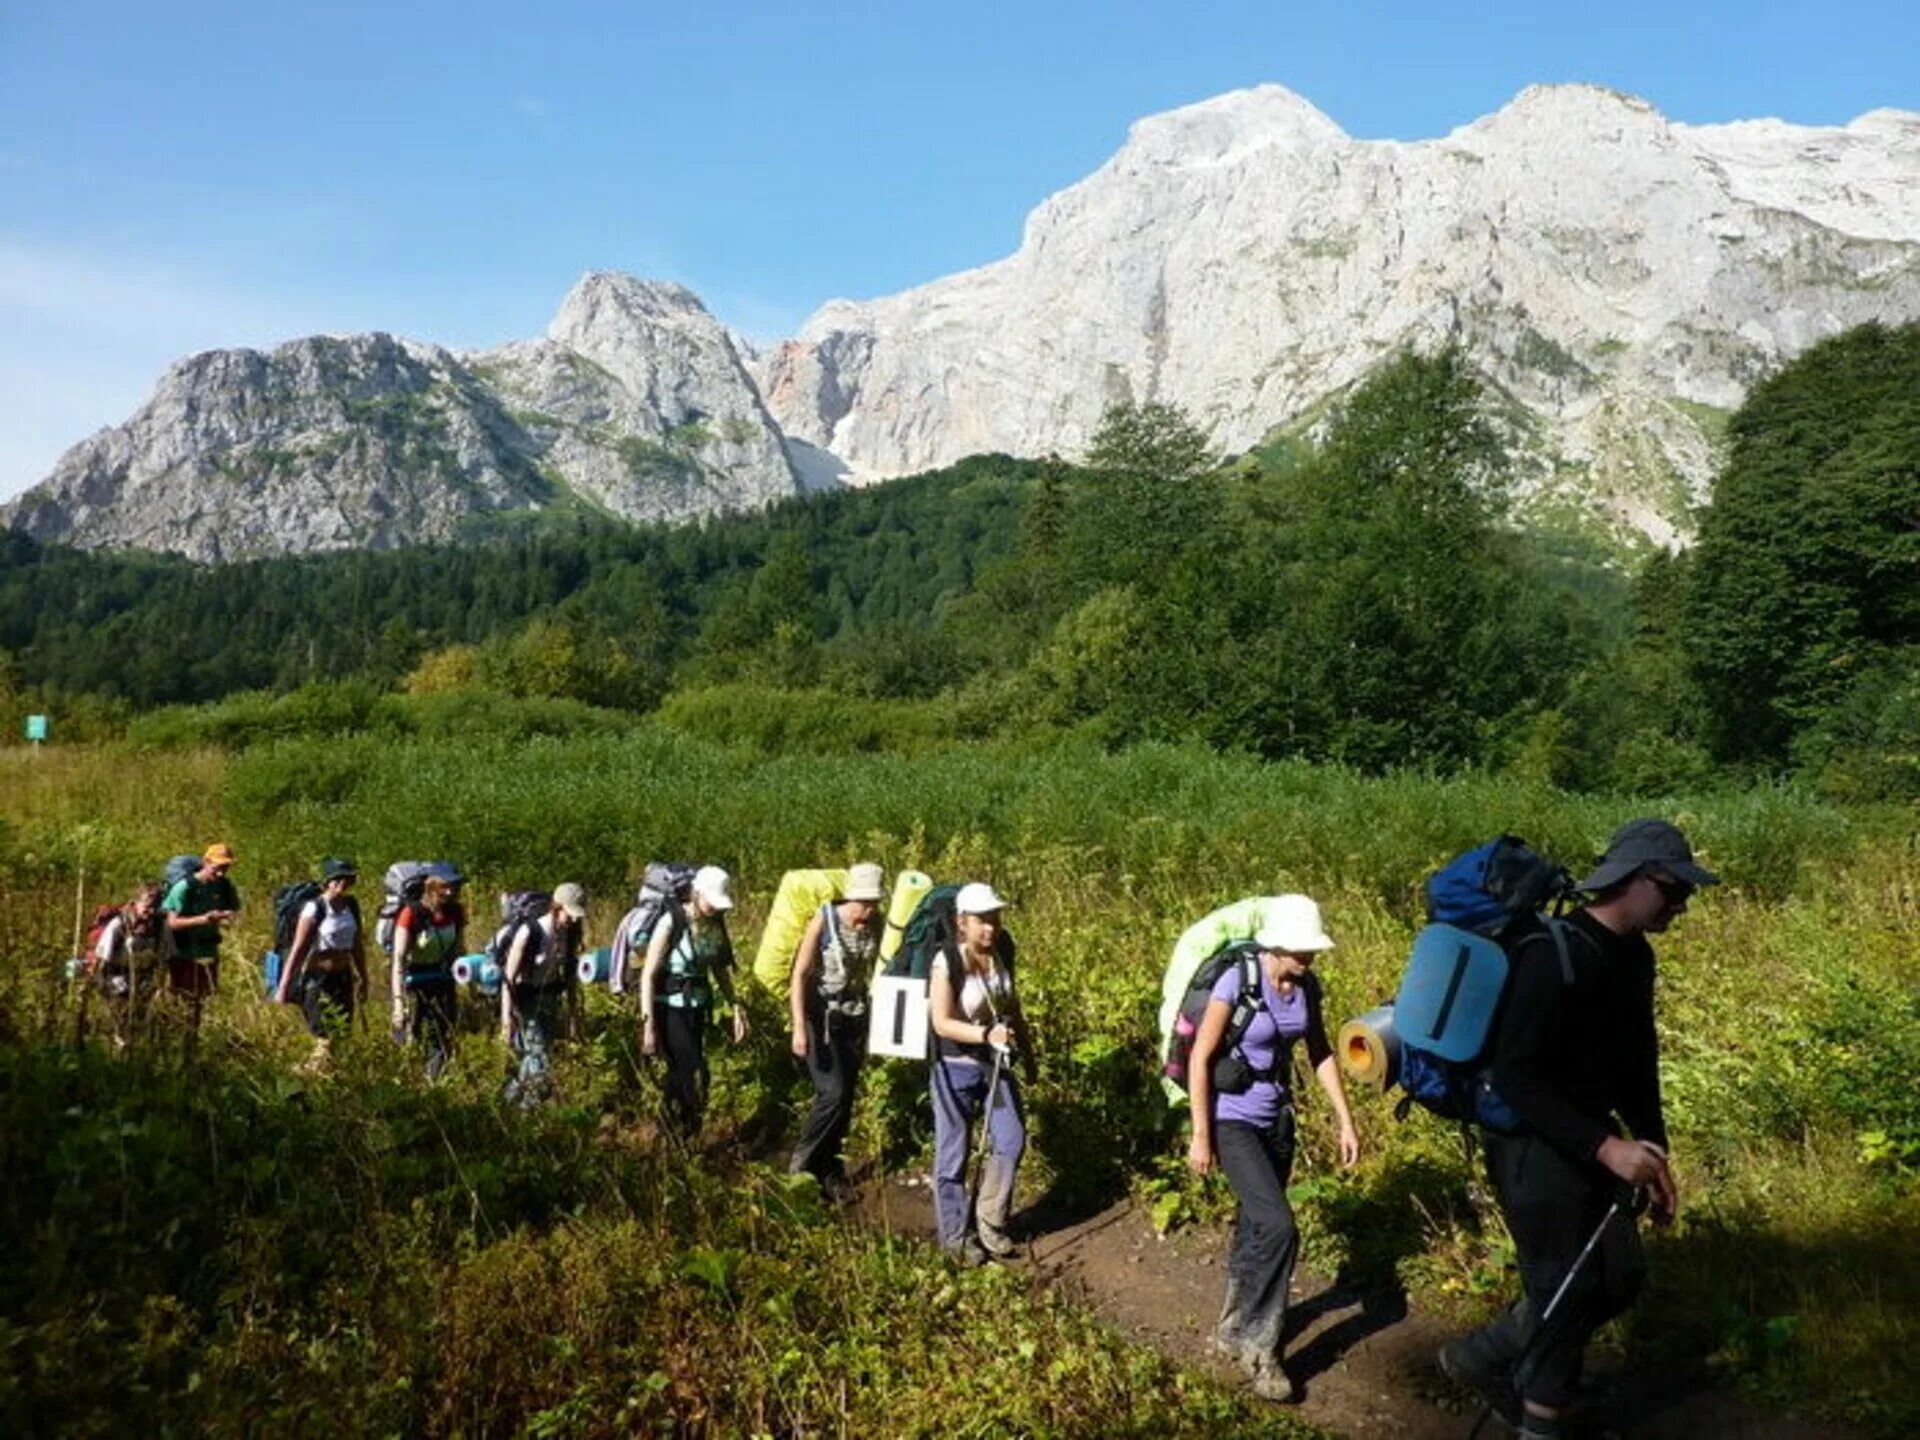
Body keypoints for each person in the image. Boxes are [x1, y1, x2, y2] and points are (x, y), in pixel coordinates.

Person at [1438, 819, 1715, 1440]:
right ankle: (1540, 1423)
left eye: (1687, 896)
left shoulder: (1634, 957)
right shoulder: (1550, 953)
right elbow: (1515, 1075)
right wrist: (1608, 1147)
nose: (1681, 906)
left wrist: (1654, 1147)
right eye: (1675, 891)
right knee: (1569, 1289)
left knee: (1620, 1278)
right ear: (1635, 878)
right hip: (1530, 1145)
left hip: (1592, 1139)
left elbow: (1636, 1060)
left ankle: (1482, 1355)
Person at [1185, 894, 1359, 1403]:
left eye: (1312, 949)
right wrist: (1201, 1134)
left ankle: (1231, 1328)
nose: (1308, 958)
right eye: (1300, 949)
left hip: (1277, 1119)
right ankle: (1262, 1349)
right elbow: (1201, 1058)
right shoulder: (1236, 980)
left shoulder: (1307, 986)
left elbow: (1320, 1051)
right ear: (1276, 944)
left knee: (1256, 1225)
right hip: (1231, 1119)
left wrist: (1345, 1120)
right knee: (1280, 1226)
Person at [928, 882, 1036, 1265]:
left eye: (995, 919)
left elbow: (1013, 1004)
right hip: (954, 1065)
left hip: (996, 1062)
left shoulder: (1003, 952)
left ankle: (989, 1221)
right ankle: (956, 1238)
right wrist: (985, 1034)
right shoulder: (947, 962)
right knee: (953, 1153)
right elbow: (941, 1022)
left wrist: (1027, 1049)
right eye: (981, 921)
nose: (990, 928)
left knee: (1011, 1138)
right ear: (962, 923)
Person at [788, 862, 886, 1195]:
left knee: (845, 1101)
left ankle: (830, 1171)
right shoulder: (825, 919)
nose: (868, 910)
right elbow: (800, 974)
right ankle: (800, 1167)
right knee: (832, 1094)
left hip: (855, 1018)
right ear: (852, 897)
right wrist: (799, 1027)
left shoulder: (877, 925)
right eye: (864, 903)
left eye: (873, 903)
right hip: (822, 1019)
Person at [640, 865, 747, 1137]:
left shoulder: (714, 924)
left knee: (681, 1073)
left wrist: (736, 1006)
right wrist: (648, 1024)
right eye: (711, 902)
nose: (714, 908)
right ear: (697, 894)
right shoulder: (671, 922)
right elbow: (648, 975)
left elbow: (719, 969)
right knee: (694, 1071)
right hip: (668, 1008)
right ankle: (682, 1133)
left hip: (698, 1008)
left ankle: (673, 1133)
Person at [501, 884, 587, 1106]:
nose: (574, 921)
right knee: (541, 1060)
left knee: (534, 1056)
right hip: (525, 1001)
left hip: (550, 1000)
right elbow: (508, 978)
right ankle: (528, 1111)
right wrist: (506, 1018)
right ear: (557, 907)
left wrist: (573, 1013)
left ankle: (506, 1103)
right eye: (570, 914)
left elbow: (569, 977)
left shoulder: (570, 934)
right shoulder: (530, 932)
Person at [274, 858, 368, 1053]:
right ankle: (306, 1078)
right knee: (324, 1039)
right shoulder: (315, 908)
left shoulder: (351, 905)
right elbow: (298, 949)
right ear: (328, 881)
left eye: (348, 879)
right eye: (338, 879)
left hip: (343, 977)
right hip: (317, 979)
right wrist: (283, 986)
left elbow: (357, 944)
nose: (343, 883)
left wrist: (364, 977)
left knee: (341, 1035)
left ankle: (328, 1080)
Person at [390, 872, 465, 1079]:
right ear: (430, 889)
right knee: (407, 1038)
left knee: (440, 1038)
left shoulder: (455, 912)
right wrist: (398, 1003)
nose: (450, 893)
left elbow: (459, 949)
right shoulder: (411, 914)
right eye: (444, 888)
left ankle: (434, 1083)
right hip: (414, 984)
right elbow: (399, 960)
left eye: (452, 888)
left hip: (442, 983)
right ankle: (402, 1084)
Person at [162, 843, 240, 1039]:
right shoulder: (185, 887)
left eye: (226, 868)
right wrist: (204, 919)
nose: (221, 873)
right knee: (181, 999)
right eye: (218, 868)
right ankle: (173, 1038)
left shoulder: (224, 886)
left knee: (200, 1000)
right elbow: (172, 923)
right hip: (183, 951)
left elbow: (234, 909)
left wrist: (228, 916)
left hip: (208, 950)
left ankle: (190, 1041)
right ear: (206, 862)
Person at [93, 881, 163, 1045]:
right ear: (135, 903)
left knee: (141, 1022)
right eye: (147, 906)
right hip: (116, 977)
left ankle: (134, 1056)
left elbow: (163, 959)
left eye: (155, 907)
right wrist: (103, 984)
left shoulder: (159, 926)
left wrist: (160, 987)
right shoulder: (118, 924)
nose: (151, 911)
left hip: (144, 979)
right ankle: (118, 1051)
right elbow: (102, 958)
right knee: (121, 1022)